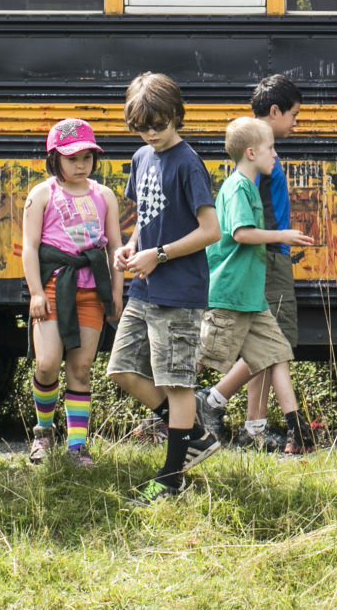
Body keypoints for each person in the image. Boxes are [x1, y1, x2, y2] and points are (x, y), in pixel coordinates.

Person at [107, 73, 222, 503]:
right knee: (121, 369)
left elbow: (211, 230)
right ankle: (194, 434)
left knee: (177, 384)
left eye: (159, 125)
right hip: (145, 286)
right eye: (142, 127)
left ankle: (171, 480)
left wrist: (160, 254)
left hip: (179, 289)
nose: (151, 134)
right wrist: (131, 249)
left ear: (176, 116)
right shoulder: (142, 158)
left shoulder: (188, 162)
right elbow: (145, 220)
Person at [197, 75, 310, 453]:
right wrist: (283, 237)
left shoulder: (257, 151)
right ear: (274, 112)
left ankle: (253, 425)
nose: (296, 123)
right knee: (272, 344)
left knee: (267, 345)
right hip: (265, 261)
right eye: (293, 114)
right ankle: (212, 403)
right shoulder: (256, 163)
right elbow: (243, 229)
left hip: (267, 258)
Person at [20, 118, 123, 467]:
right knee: (47, 364)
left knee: (81, 369)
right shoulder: (42, 194)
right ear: (55, 160)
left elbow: (114, 250)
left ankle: (77, 446)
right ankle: (43, 433)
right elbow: (30, 247)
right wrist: (36, 292)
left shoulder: (104, 195)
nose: (80, 165)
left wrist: (116, 294)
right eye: (71, 158)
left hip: (92, 291)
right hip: (53, 287)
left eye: (87, 157)